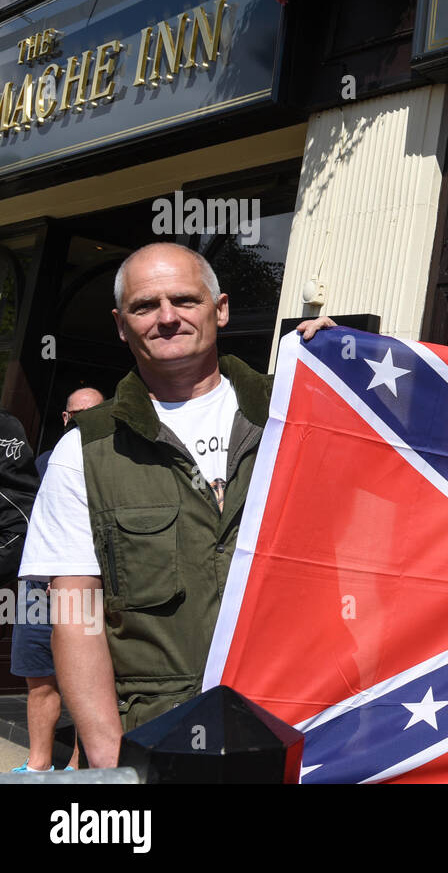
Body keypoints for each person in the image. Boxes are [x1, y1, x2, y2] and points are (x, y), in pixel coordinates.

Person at [16, 242, 334, 768]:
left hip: (308, 727)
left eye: (184, 299)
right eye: (145, 306)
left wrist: (356, 369)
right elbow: (76, 614)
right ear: (121, 325)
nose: (167, 318)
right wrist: (111, 758)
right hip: (161, 739)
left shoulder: (303, 412)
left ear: (221, 308)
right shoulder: (86, 450)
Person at [9, 388, 102, 772]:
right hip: (36, 590)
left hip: (84, 592)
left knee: (86, 684)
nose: (81, 419)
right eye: (74, 413)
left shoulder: (114, 464)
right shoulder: (45, 461)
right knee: (38, 677)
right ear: (64, 418)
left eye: (91, 413)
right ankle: (37, 767)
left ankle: (77, 770)